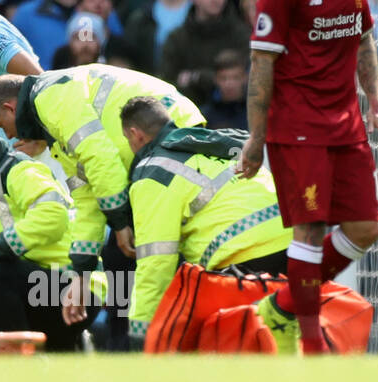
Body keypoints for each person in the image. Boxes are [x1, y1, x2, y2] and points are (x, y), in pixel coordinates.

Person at [238, 0, 378, 355]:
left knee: (367, 228)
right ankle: (310, 344)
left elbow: (363, 36)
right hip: (299, 128)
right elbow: (261, 64)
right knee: (309, 230)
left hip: (346, 122)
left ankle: (285, 302)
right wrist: (256, 139)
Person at [0, 65, 205, 278]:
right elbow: (87, 198)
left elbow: (100, 157)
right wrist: (82, 270)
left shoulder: (49, 97)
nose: (10, 136)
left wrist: (120, 222)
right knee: (132, 258)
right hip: (159, 134)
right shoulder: (56, 131)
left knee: (158, 252)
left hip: (165, 129)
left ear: (10, 108)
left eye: (1, 124)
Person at [118, 95, 293, 348]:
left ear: (135, 134)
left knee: (237, 346)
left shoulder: (152, 172)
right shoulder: (208, 142)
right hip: (293, 244)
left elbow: (156, 262)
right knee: (286, 336)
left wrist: (140, 333)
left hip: (245, 257)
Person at [0, 110, 92, 350]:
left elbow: (54, 217)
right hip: (46, 287)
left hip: (78, 287)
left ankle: (22, 361)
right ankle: (58, 352)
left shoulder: (20, 170)